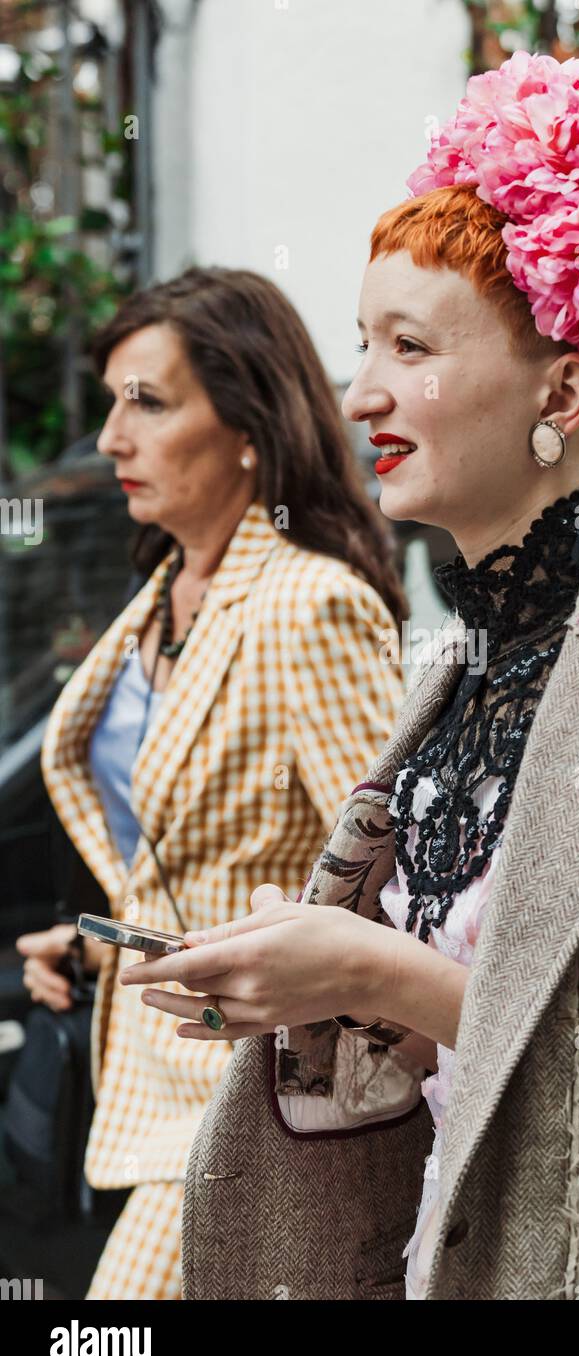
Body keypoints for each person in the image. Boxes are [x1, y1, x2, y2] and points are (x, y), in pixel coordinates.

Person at [123, 54, 579, 1301]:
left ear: (560, 391)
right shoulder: (451, 690)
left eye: (408, 346)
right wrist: (313, 991)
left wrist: (363, 968)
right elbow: (490, 1056)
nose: (359, 392)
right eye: (364, 342)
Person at [22, 266, 407, 1299]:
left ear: (247, 424)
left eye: (146, 401)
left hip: (255, 1101)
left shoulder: (303, 604)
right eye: (111, 402)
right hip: (150, 1091)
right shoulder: (164, 594)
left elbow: (389, 885)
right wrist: (98, 938)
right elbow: (177, 853)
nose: (111, 437)